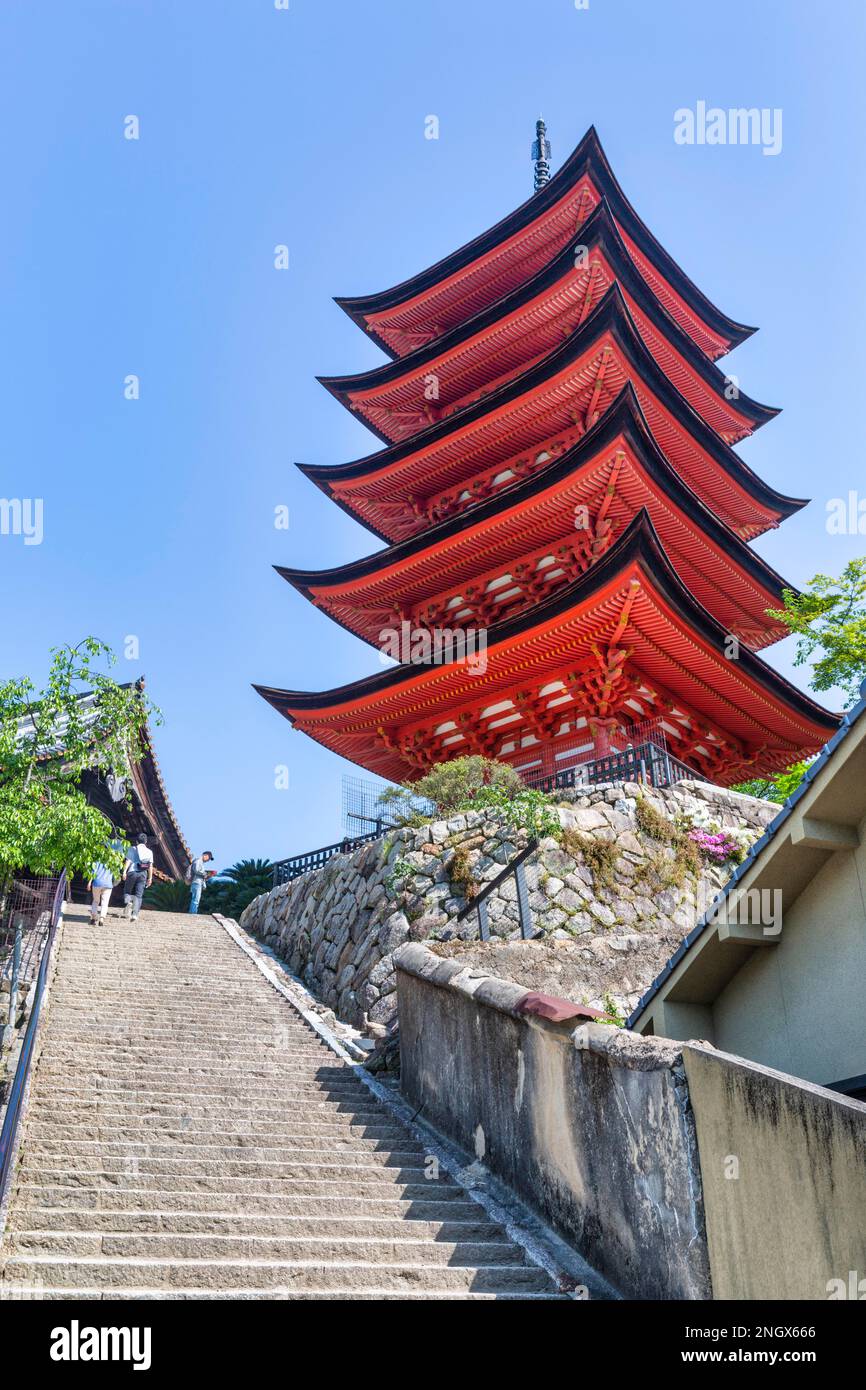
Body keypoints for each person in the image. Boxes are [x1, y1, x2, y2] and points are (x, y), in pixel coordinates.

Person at [122, 833, 154, 921]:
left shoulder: (132, 849)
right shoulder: (149, 852)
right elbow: (150, 866)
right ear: (146, 841)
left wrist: (124, 872)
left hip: (132, 872)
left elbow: (128, 861)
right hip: (143, 873)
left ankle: (128, 902)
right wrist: (150, 878)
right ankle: (135, 914)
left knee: (127, 891)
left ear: (137, 841)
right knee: (139, 895)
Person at [87, 859, 115, 925]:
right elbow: (115, 875)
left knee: (95, 901)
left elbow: (93, 872)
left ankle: (94, 918)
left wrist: (89, 882)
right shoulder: (113, 861)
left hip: (97, 883)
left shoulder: (97, 861)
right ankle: (101, 919)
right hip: (108, 884)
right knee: (105, 902)